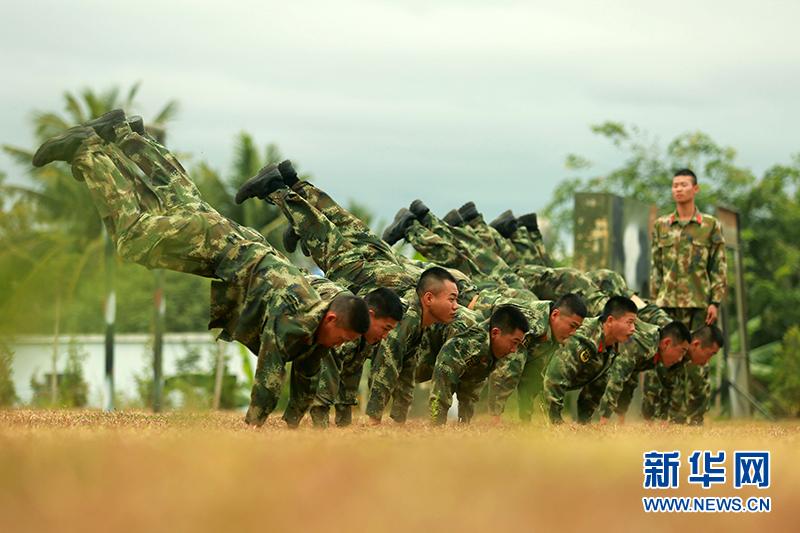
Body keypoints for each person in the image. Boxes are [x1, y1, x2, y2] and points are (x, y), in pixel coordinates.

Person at [32, 109, 370, 428]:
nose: (342, 344)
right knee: (133, 237)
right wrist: (255, 423)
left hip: (228, 240)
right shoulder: (297, 319)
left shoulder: (316, 327)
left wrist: (303, 425)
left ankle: (123, 133)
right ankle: (87, 149)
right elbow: (270, 372)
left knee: (179, 196)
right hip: (215, 245)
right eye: (345, 337)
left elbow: (307, 378)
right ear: (331, 319)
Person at [651, 168, 727, 425]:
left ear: (695, 189)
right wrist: (654, 302)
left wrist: (715, 302)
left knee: (697, 364)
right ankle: (664, 418)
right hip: (666, 305)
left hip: (698, 305)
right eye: (674, 185)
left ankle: (695, 419)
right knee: (664, 361)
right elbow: (656, 267)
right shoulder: (661, 225)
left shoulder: (709, 226)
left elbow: (718, 266)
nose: (678, 189)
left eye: (684, 185)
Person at [486, 293, 588, 422]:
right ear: (555, 315)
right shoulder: (533, 322)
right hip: (476, 312)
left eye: (577, 328)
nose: (573, 332)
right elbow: (508, 369)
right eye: (572, 326)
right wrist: (495, 417)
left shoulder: (552, 336)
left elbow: (532, 376)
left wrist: (526, 419)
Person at [542, 296, 638, 424]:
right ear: (610, 321)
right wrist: (555, 421)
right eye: (629, 322)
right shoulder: (584, 337)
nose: (633, 329)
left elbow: (595, 390)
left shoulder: (612, 346)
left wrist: (584, 423)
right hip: (536, 389)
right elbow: (555, 378)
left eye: (634, 324)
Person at [429, 305, 529, 425]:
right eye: (514, 342)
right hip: (427, 336)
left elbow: (470, 385)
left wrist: (464, 422)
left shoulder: (490, 350)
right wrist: (437, 424)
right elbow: (444, 373)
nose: (514, 350)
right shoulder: (474, 343)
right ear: (495, 333)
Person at [594, 321, 690, 423]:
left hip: (608, 353)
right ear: (667, 343)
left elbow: (633, 379)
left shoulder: (657, 351)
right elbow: (617, 377)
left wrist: (660, 419)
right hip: (595, 336)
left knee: (630, 381)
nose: (680, 359)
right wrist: (604, 418)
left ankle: (619, 420)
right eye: (681, 351)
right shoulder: (645, 345)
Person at [641, 324, 724, 424]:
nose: (708, 360)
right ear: (696, 344)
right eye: (709, 354)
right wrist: (654, 420)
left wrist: (692, 421)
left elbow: (699, 397)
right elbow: (651, 386)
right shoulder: (671, 345)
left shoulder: (698, 365)